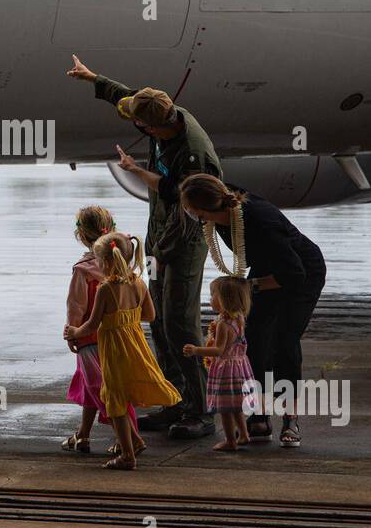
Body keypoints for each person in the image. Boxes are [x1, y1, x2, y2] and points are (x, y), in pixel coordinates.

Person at [65, 54, 222, 440]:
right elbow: (126, 96)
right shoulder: (157, 110)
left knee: (181, 323)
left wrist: (161, 258)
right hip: (159, 239)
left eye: (141, 125)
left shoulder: (192, 154)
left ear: (157, 125)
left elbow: (188, 214)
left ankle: (199, 410)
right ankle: (173, 401)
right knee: (157, 322)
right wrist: (92, 77)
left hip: (184, 243)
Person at [178, 173, 327, 448]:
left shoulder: (259, 221)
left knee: (284, 341)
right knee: (255, 341)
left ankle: (290, 418)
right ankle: (259, 416)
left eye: (190, 209)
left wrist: (247, 286)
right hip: (266, 269)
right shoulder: (220, 212)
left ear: (203, 210)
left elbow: (294, 274)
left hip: (301, 273)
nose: (187, 213)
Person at [64, 232, 179, 470]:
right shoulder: (138, 282)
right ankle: (134, 442)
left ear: (105, 262)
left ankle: (127, 455)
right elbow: (150, 315)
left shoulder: (106, 289)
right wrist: (129, 318)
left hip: (114, 348)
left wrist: (74, 332)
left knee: (114, 396)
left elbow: (92, 325)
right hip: (135, 344)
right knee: (124, 391)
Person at [61, 205, 138, 453]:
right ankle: (83, 434)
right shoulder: (122, 264)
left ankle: (130, 440)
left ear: (81, 236)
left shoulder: (82, 270)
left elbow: (76, 306)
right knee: (94, 386)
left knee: (103, 391)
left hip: (90, 339)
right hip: (120, 339)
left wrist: (72, 331)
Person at [184, 277, 255, 452]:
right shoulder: (239, 317)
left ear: (225, 299)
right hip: (240, 366)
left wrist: (196, 350)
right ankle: (244, 435)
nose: (210, 299)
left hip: (227, 370)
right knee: (236, 404)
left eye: (213, 295)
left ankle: (230, 440)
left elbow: (219, 350)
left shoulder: (223, 324)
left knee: (224, 408)